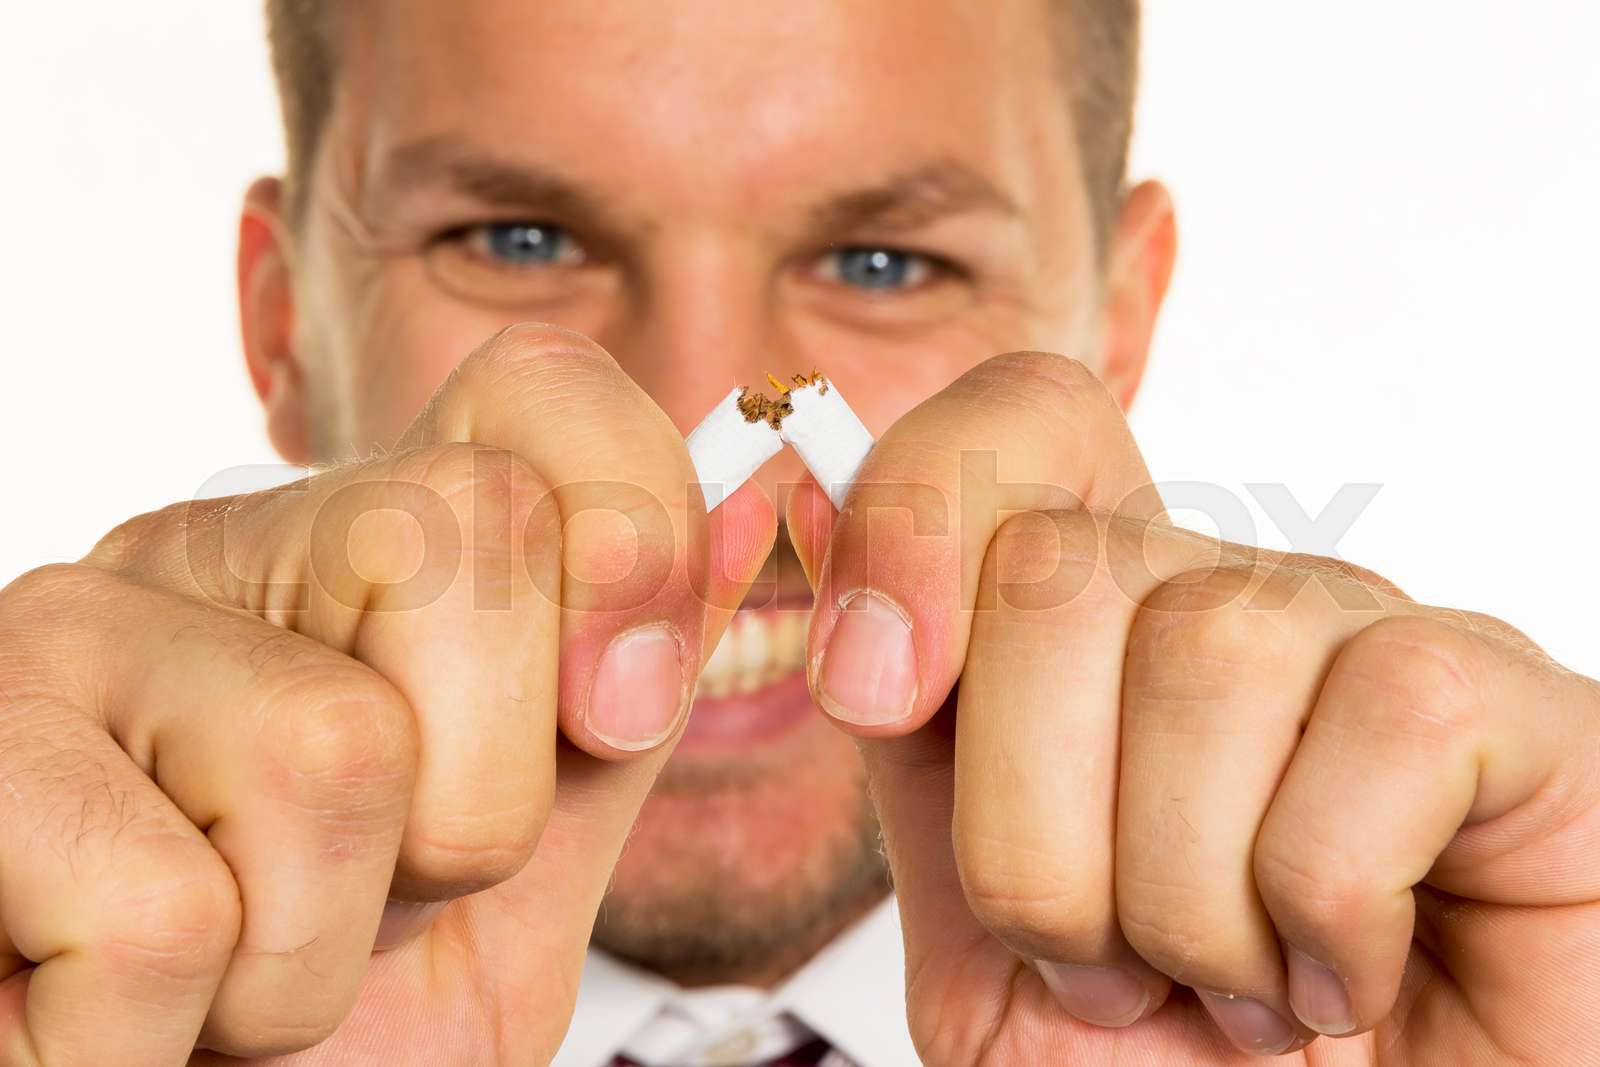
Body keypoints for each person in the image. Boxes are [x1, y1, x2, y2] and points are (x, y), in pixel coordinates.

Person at [0, 1, 1593, 1064]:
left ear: (1119, 324)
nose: (698, 411)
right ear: (281, 326)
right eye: (520, 236)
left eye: (887, 260)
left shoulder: (1427, 999)